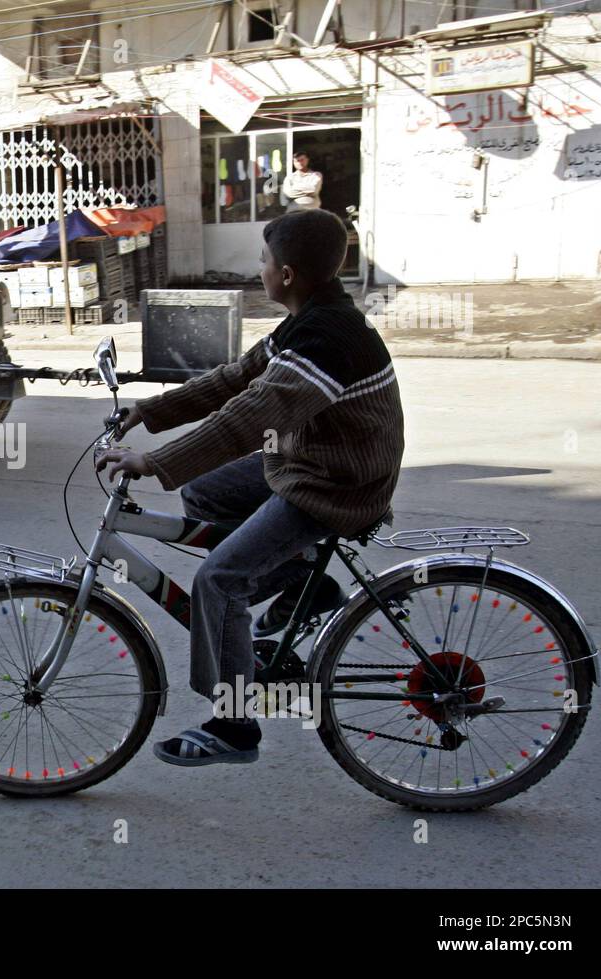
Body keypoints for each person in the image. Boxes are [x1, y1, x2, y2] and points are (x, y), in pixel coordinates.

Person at [95, 208, 404, 767]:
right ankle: (303, 585)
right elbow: (237, 378)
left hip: (336, 485)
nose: (257, 268)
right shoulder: (308, 318)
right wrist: (148, 409)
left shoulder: (325, 340)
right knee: (205, 497)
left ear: (285, 274)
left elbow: (246, 419)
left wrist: (152, 462)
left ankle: (234, 727)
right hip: (311, 460)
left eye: (263, 260)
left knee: (219, 581)